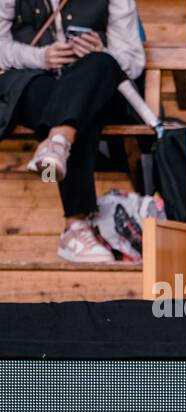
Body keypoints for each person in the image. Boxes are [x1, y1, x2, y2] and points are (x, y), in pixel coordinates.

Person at [0, 0, 145, 263]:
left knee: (100, 64)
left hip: (94, 85)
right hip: (35, 86)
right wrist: (40, 58)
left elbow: (134, 60)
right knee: (77, 106)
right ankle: (75, 223)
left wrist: (100, 50)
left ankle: (57, 144)